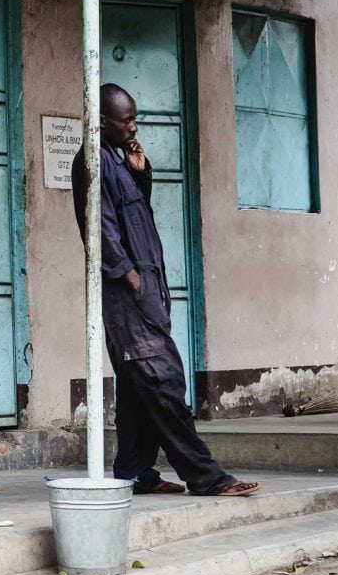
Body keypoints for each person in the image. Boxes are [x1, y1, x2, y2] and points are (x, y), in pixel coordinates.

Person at [71, 83, 259, 496]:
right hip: (127, 291)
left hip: (146, 287)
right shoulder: (91, 161)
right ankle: (206, 477)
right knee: (163, 380)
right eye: (127, 120)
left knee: (140, 385)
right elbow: (98, 226)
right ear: (102, 121)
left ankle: (136, 472)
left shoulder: (117, 162)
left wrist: (142, 176)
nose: (134, 126)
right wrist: (127, 274)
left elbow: (132, 215)